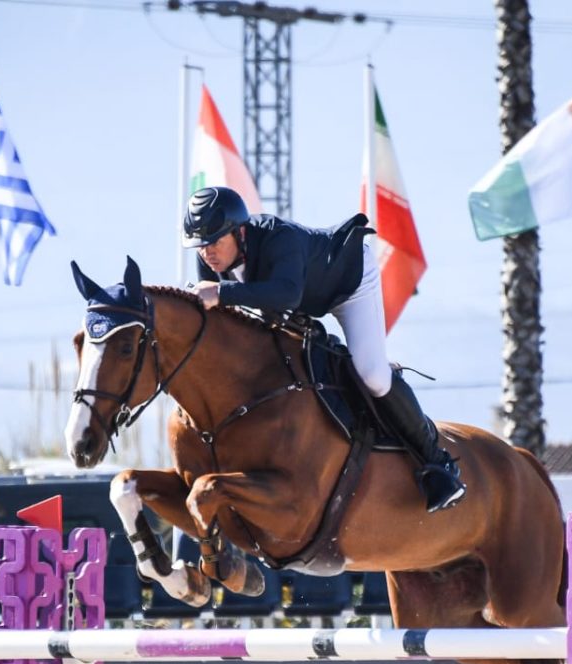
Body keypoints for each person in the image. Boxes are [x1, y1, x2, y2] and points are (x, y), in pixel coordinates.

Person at [181, 185, 466, 513]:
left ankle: (439, 464)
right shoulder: (212, 264)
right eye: (200, 245)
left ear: (240, 231)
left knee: (372, 374)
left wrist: (224, 293)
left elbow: (286, 294)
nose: (208, 253)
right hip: (302, 300)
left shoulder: (278, 238)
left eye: (215, 241)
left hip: (350, 284)